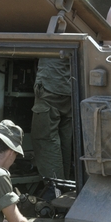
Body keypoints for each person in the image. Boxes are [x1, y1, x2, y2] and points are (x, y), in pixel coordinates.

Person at [31, 57, 72, 186]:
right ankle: (66, 185)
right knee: (65, 141)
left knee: (45, 139)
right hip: (69, 86)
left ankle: (54, 190)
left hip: (51, 83)